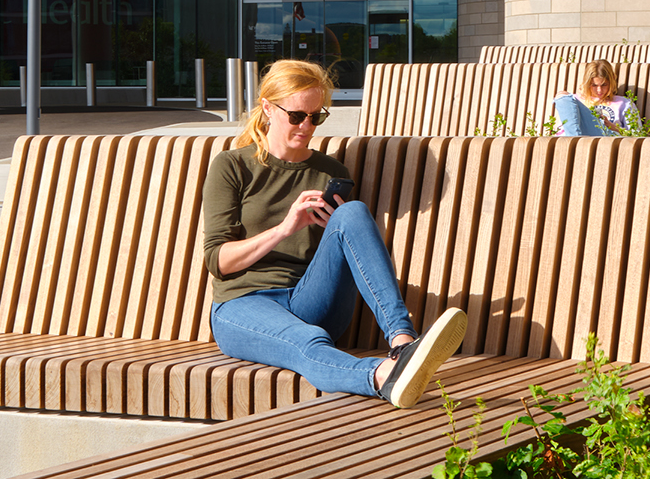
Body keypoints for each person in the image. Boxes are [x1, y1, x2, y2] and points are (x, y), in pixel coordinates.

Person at [199, 60, 467, 408]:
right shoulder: (233, 166)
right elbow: (218, 261)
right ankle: (383, 376)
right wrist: (285, 228)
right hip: (244, 305)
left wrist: (333, 234)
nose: (307, 126)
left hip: (311, 298)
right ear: (268, 107)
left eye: (317, 117)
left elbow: (344, 253)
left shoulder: (330, 171)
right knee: (307, 341)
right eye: (297, 115)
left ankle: (403, 343)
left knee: (351, 213)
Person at [552, 56, 640, 137]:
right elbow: (565, 128)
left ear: (612, 81)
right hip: (579, 135)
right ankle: (575, 141)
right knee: (562, 96)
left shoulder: (623, 103)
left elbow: (638, 134)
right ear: (587, 83)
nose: (599, 90)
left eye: (604, 85)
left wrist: (614, 128)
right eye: (594, 85)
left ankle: (575, 144)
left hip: (605, 138)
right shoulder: (575, 101)